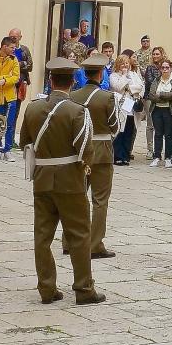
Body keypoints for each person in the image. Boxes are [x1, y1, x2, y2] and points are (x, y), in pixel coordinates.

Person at [19, 56, 104, 305]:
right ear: (72, 81)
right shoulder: (77, 111)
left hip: (42, 178)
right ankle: (84, 288)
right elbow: (85, 149)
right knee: (78, 233)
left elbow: (24, 141)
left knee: (42, 235)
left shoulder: (33, 108)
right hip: (70, 179)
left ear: (50, 80)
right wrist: (84, 168)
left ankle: (47, 288)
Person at [66, 51, 121, 259]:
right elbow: (115, 125)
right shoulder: (107, 97)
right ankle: (95, 244)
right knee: (100, 200)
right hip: (102, 149)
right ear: (100, 74)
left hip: (79, 150)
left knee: (76, 197)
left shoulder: (73, 95)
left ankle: (69, 241)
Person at [0, 37, 23, 157]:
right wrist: (7, 77)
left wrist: (4, 80)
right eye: (12, 47)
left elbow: (16, 77)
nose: (14, 49)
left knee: (10, 124)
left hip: (10, 97)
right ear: (4, 47)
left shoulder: (14, 59)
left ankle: (7, 150)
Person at [110, 51, 144, 166]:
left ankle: (126, 156)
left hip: (131, 108)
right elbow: (118, 86)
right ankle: (118, 156)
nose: (125, 65)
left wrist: (129, 88)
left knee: (129, 132)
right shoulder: (114, 76)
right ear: (118, 65)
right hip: (120, 107)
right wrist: (124, 76)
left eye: (126, 63)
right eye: (122, 63)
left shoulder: (134, 74)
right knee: (120, 132)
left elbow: (140, 86)